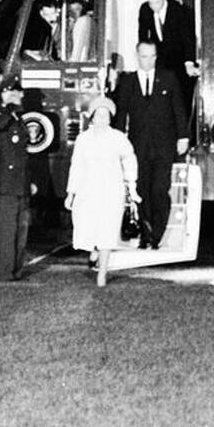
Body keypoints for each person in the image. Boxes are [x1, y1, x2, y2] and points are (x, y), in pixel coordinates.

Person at [112, 40, 188, 248]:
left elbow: (178, 109)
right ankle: (146, 235)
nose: (148, 60)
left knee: (160, 190)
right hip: (138, 147)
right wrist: (118, 142)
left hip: (164, 145)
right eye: (144, 56)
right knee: (142, 190)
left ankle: (157, 233)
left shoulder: (168, 78)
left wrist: (183, 136)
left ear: (156, 56)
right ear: (138, 56)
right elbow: (121, 114)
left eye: (152, 56)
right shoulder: (128, 81)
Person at [66, 95, 139, 287]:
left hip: (111, 189)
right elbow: (76, 166)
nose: (102, 119)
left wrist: (131, 185)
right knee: (88, 224)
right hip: (88, 190)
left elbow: (129, 159)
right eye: (99, 115)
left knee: (107, 230)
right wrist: (71, 193)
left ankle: (102, 274)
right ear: (92, 117)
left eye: (106, 116)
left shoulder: (118, 137)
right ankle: (94, 250)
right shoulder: (83, 139)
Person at [0, 80, 32, 280]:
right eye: (13, 92)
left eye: (19, 93)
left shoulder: (18, 118)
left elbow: (22, 153)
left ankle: (17, 270)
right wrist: (5, 103)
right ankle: (5, 271)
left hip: (20, 183)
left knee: (21, 229)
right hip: (6, 184)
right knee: (7, 230)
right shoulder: (0, 115)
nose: (18, 96)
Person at [138, 0, 198, 119]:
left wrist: (189, 63)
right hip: (160, 60)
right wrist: (144, 59)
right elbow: (142, 36)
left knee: (181, 98)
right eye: (150, 2)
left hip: (179, 59)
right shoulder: (145, 9)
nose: (154, 6)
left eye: (157, 2)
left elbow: (188, 38)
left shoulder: (179, 10)